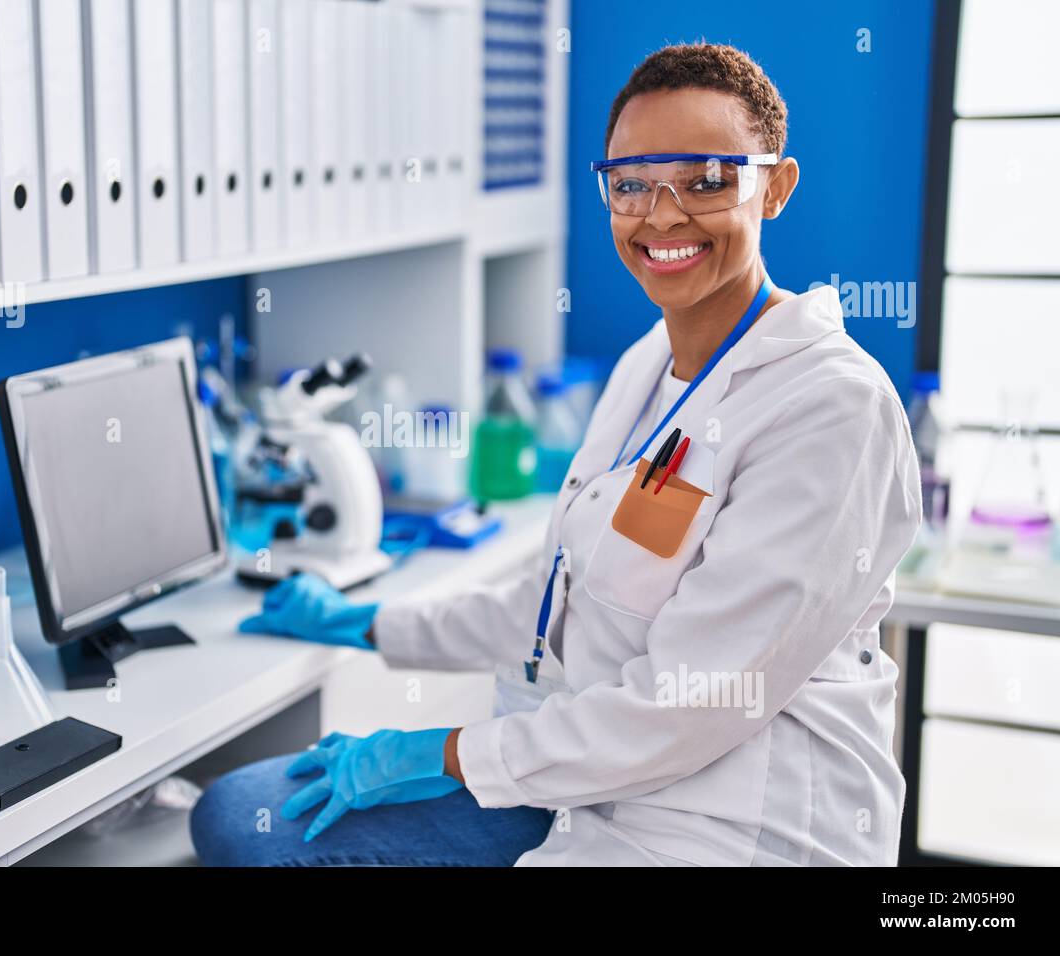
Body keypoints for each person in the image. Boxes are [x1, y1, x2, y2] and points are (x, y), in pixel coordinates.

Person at [191, 41, 920, 867]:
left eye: (706, 180)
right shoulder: (649, 365)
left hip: (727, 828)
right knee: (237, 813)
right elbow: (559, 604)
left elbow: (686, 706)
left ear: (775, 187)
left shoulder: (831, 410)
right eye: (633, 183)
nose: (663, 214)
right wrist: (368, 620)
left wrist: (448, 754)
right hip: (580, 773)